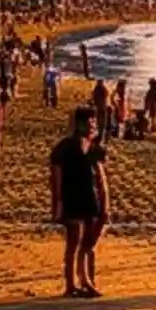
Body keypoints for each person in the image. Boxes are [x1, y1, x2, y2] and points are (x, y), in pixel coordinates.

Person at [49, 107, 109, 298]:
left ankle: (86, 280)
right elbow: (56, 177)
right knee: (74, 241)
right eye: (90, 122)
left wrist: (104, 201)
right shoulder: (64, 148)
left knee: (88, 243)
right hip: (71, 197)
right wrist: (58, 202)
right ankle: (71, 285)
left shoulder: (93, 147)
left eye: (94, 122)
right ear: (79, 124)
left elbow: (100, 177)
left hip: (89, 198)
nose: (93, 125)